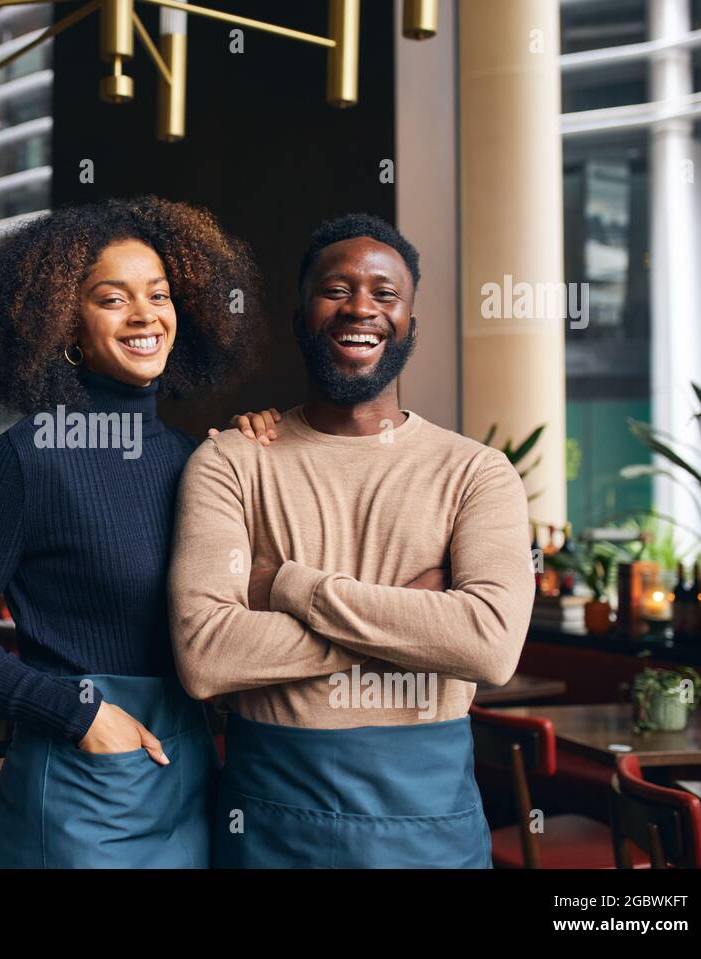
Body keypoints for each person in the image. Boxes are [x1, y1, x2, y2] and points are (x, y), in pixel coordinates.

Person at [0, 196, 275, 868]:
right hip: (77, 793)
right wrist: (80, 716)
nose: (145, 315)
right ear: (66, 326)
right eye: (113, 298)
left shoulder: (202, 459)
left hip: (188, 782)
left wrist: (265, 450)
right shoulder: (25, 460)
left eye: (160, 295)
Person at [169, 213, 535, 868]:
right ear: (300, 318)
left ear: (411, 325)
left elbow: (489, 643)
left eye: (384, 292)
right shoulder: (231, 461)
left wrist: (288, 586)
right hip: (270, 822)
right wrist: (413, 624)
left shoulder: (477, 472)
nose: (360, 306)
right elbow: (206, 656)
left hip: (430, 827)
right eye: (336, 289)